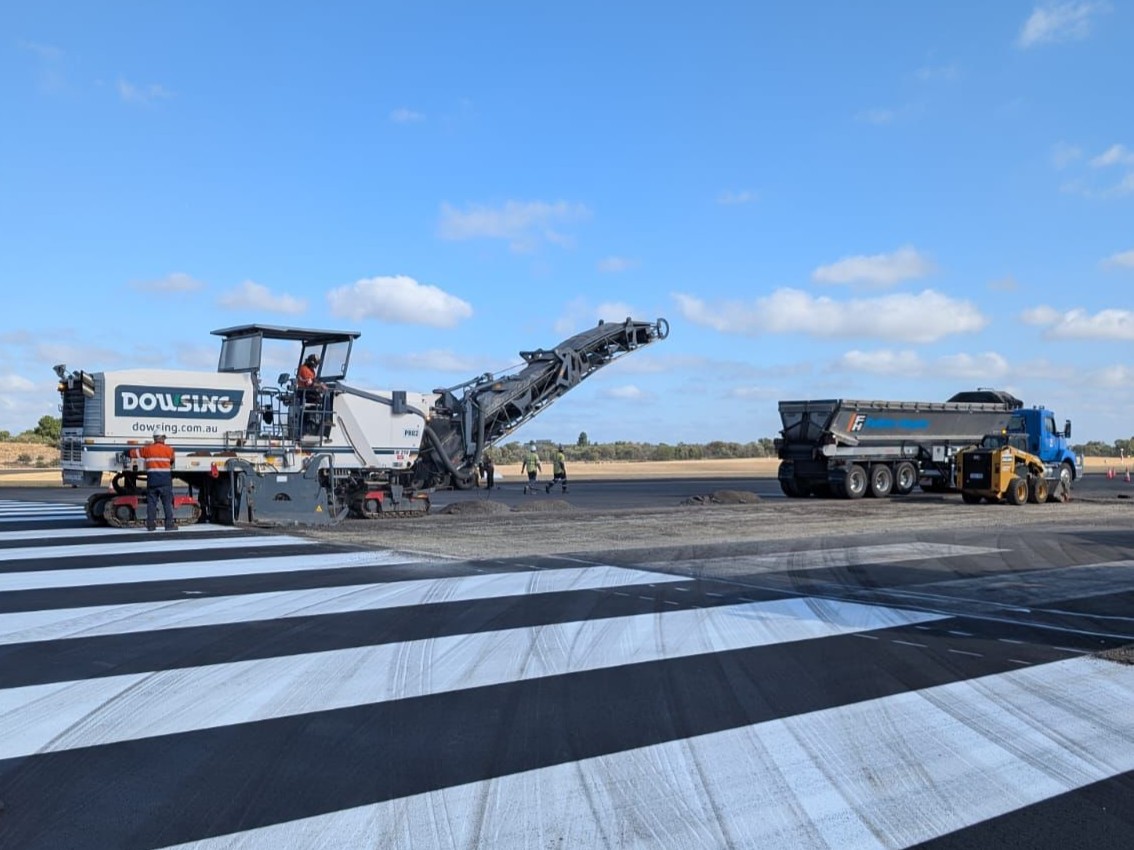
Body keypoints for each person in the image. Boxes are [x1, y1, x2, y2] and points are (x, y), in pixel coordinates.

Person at [140, 432, 177, 531]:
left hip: (152, 481)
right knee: (167, 504)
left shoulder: (147, 449)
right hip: (165, 481)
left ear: (154, 438)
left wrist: (126, 452)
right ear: (163, 438)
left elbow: (135, 453)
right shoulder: (169, 450)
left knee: (151, 503)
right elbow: (172, 461)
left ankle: (151, 525)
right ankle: (169, 525)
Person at [296, 354, 328, 435]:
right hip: (304, 393)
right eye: (316, 363)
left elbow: (314, 381)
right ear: (312, 362)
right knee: (324, 398)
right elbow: (309, 383)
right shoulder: (304, 369)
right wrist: (320, 386)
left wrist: (321, 384)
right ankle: (326, 418)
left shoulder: (311, 371)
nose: (316, 365)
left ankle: (324, 420)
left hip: (310, 392)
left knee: (325, 397)